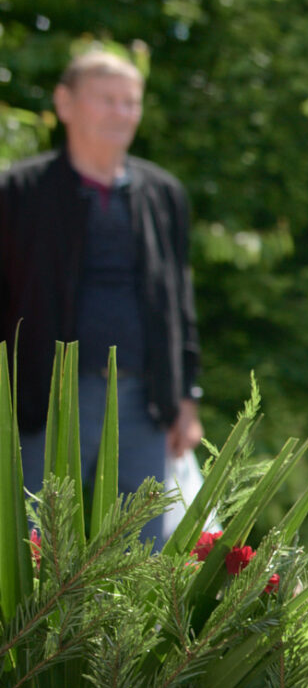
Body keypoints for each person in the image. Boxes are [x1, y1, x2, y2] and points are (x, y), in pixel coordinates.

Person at [1, 50, 202, 539]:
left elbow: (179, 299)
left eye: (131, 102)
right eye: (107, 100)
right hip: (42, 401)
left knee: (147, 553)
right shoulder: (18, 192)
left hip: (144, 401)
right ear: (65, 103)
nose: (122, 113)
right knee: (30, 547)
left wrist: (186, 396)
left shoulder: (163, 193)